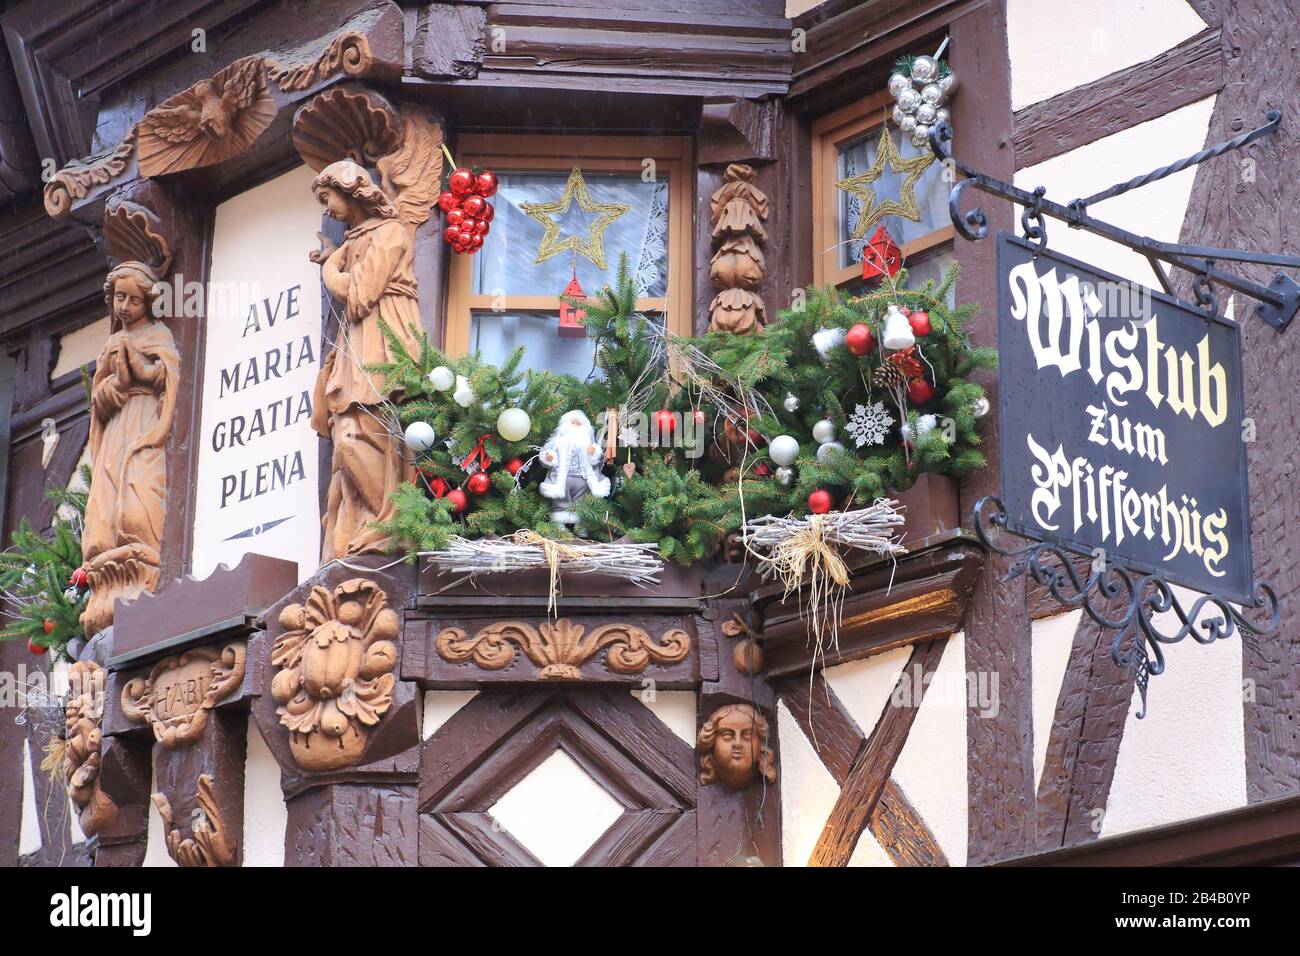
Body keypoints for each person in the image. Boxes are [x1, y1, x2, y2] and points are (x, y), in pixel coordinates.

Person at [309, 160, 424, 560]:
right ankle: (369, 523)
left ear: (351, 189)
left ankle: (386, 522)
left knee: (369, 431)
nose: (326, 209)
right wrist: (336, 256)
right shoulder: (358, 237)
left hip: (385, 336)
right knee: (347, 435)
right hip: (358, 340)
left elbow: (361, 294)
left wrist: (329, 268)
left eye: (328, 197)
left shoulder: (391, 233)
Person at [81, 261, 180, 636]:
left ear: (148, 303)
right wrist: (108, 389)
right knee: (108, 484)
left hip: (142, 419)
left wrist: (136, 365)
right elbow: (101, 397)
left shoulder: (157, 334)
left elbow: (164, 374)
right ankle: (107, 556)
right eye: (119, 298)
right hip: (117, 426)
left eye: (133, 300)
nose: (124, 307)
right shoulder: (109, 343)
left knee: (137, 484)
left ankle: (138, 547)